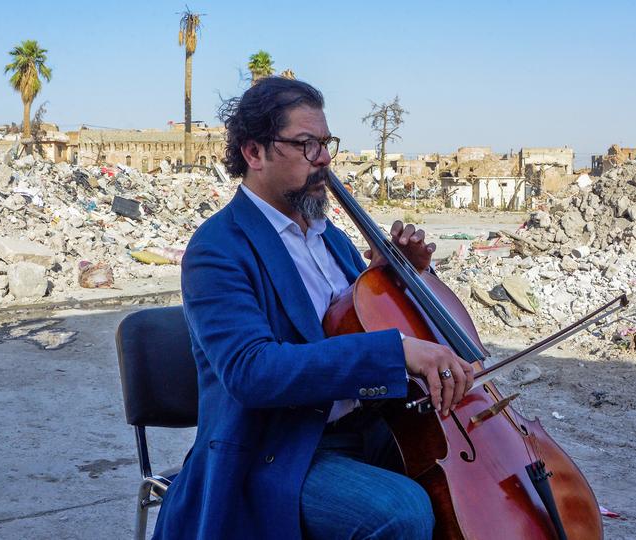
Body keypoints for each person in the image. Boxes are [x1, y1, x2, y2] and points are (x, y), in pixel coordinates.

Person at [153, 77, 474, 540]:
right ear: (254, 153)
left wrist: (402, 282)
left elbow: (357, 325)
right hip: (278, 448)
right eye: (306, 144)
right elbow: (252, 370)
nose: (323, 158)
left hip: (371, 426)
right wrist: (396, 351)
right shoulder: (218, 249)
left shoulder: (334, 238)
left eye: (325, 143)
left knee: (471, 490)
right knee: (400, 512)